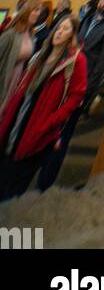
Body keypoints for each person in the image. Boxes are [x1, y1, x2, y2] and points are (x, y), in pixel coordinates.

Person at [0, 13, 87, 200]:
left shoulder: (75, 61)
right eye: (58, 27)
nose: (59, 31)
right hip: (19, 117)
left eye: (65, 29)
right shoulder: (41, 54)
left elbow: (76, 97)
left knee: (17, 181)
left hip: (38, 127)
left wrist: (50, 122)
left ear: (72, 35)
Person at [0, 0, 40, 111]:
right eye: (36, 10)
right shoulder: (11, 34)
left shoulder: (31, 35)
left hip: (17, 79)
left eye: (39, 11)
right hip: (4, 76)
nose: (38, 13)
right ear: (27, 11)